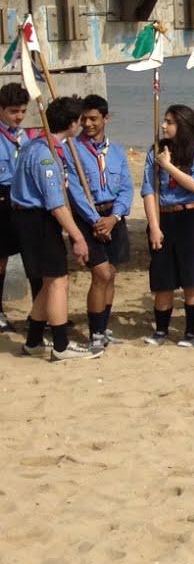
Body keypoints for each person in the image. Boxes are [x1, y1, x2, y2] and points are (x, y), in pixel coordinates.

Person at [11, 96, 95, 360]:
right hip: (38, 220)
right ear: (71, 123)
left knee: (48, 282)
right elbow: (56, 203)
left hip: (30, 218)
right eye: (79, 121)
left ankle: (34, 341)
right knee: (59, 281)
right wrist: (77, 236)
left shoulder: (35, 144)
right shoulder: (45, 154)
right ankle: (60, 345)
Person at [141, 104, 194, 346]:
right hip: (163, 217)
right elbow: (149, 191)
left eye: (170, 122)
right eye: (164, 120)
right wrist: (154, 226)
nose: (164, 126)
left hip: (190, 217)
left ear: (184, 125)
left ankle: (191, 333)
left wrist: (168, 166)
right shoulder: (156, 152)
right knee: (163, 278)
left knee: (191, 279)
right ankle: (161, 330)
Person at [75, 94, 133, 351]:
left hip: (113, 216)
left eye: (93, 118)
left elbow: (126, 188)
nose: (88, 124)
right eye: (84, 118)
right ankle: (94, 332)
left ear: (105, 118)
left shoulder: (117, 151)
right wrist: (96, 220)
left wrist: (114, 217)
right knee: (100, 273)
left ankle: (103, 325)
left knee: (111, 274)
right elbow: (75, 191)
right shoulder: (72, 150)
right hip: (89, 218)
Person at [0, 83, 31, 329]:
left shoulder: (23, 136)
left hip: (21, 198)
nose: (18, 116)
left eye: (22, 111)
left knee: (25, 253)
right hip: (1, 197)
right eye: (13, 111)